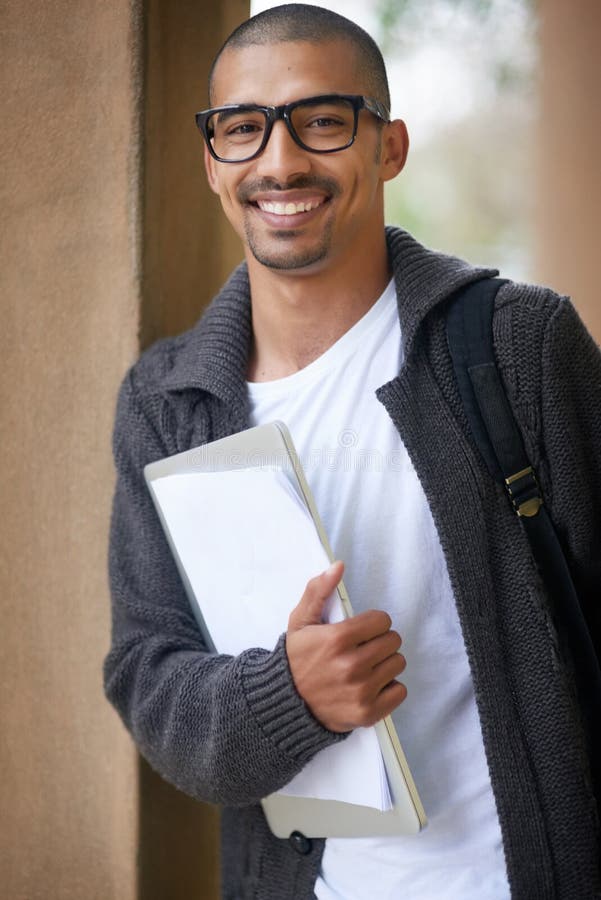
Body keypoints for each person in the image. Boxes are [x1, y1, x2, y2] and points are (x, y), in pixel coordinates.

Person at [104, 5, 601, 898]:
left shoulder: (518, 345)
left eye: (323, 120)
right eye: (243, 129)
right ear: (211, 162)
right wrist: (285, 700)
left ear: (389, 146)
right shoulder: (167, 402)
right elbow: (150, 679)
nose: (281, 160)